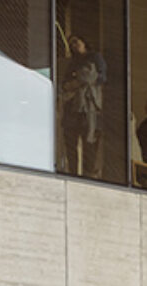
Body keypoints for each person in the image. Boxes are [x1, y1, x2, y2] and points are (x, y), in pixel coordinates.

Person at [60, 35, 106, 178]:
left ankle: (88, 175)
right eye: (71, 43)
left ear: (84, 42)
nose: (74, 45)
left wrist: (78, 81)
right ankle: (72, 173)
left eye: (76, 42)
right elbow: (65, 84)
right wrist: (78, 81)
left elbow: (99, 77)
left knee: (89, 142)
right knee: (71, 143)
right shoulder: (72, 63)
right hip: (72, 107)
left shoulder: (95, 57)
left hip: (89, 107)